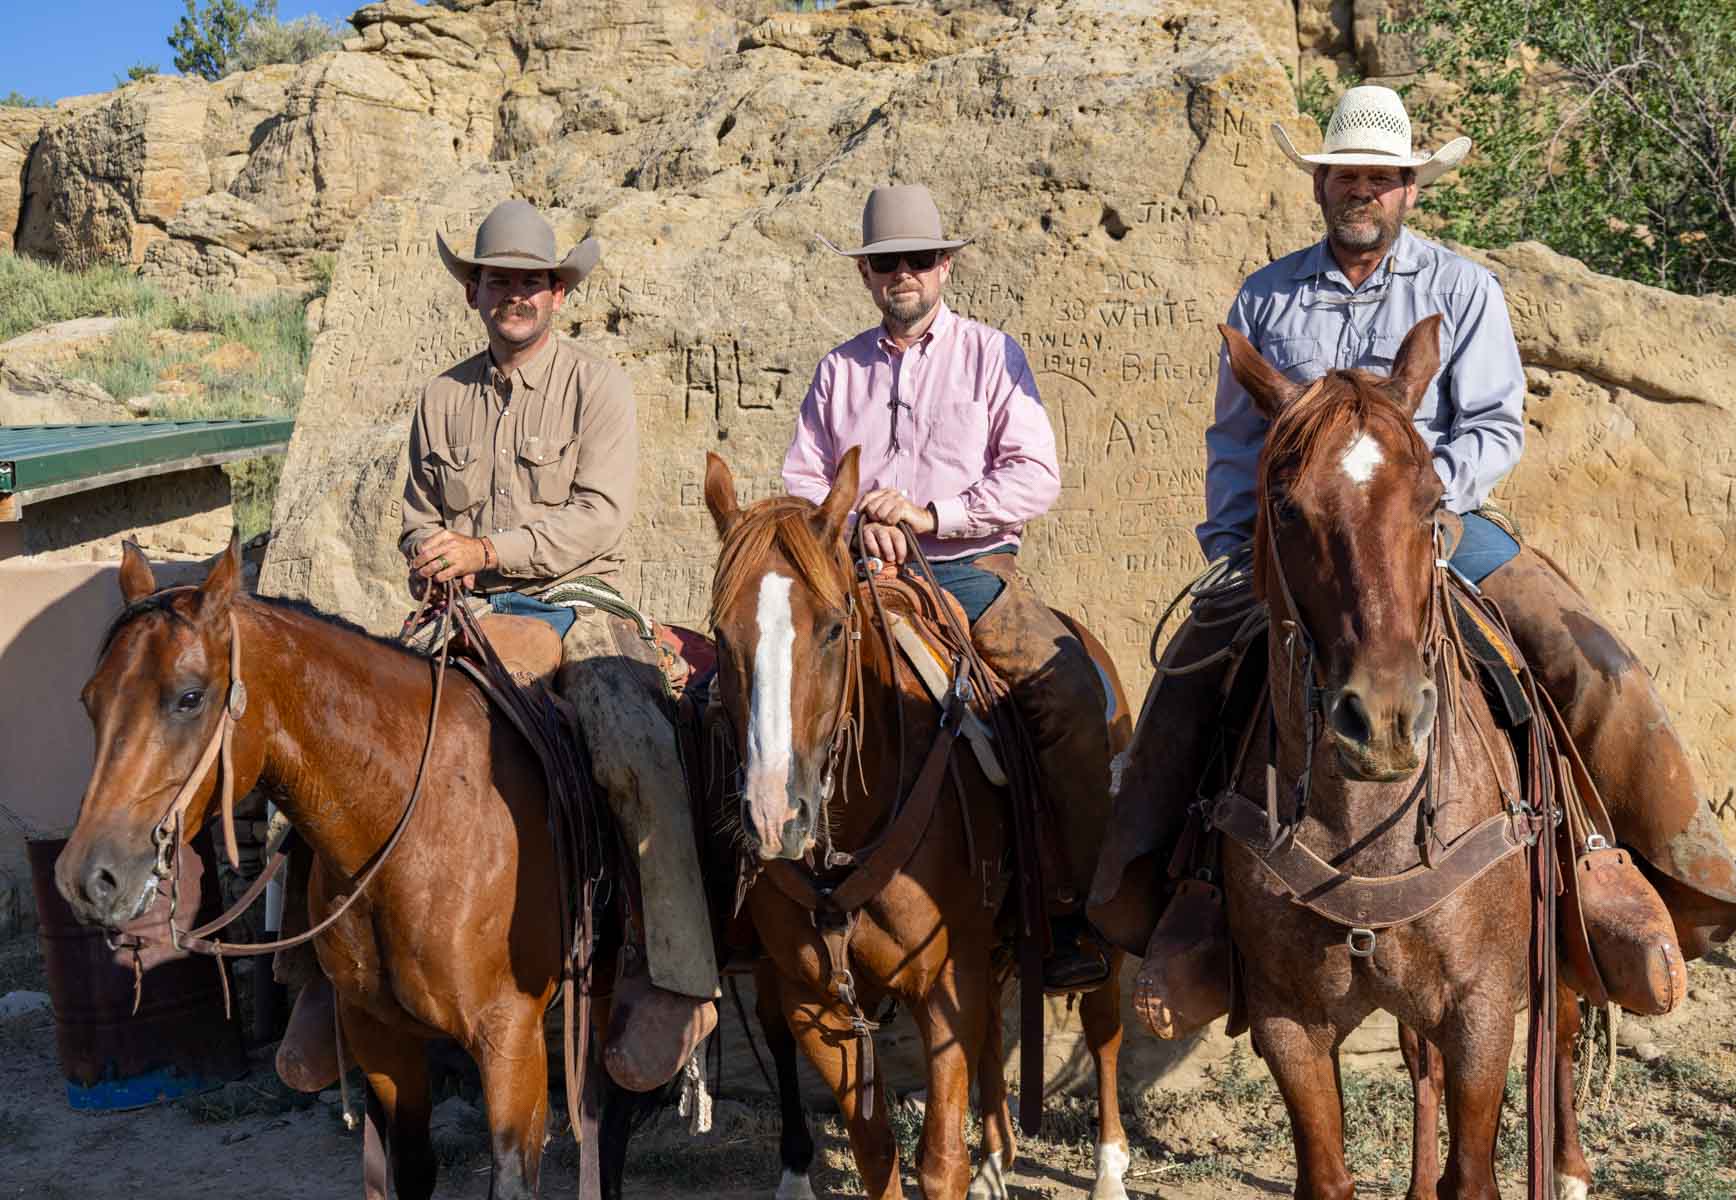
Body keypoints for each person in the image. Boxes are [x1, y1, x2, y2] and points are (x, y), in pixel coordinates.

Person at [1088, 87, 1736, 978]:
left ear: (1409, 190)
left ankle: (1639, 878)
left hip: (1436, 526)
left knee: (1584, 656)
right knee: (1188, 677)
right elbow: (1235, 442)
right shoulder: (1266, 299)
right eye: (1346, 175)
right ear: (1320, 186)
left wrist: (1419, 504)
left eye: (1383, 177)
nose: (1363, 189)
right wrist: (1235, 550)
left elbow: (1492, 427)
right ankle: (1161, 900)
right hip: (1306, 547)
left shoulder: (1461, 288)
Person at [279, 199, 717, 1097]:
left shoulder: (597, 386)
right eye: (497, 280)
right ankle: (318, 979)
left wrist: (486, 551)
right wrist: (426, 554)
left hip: (573, 600)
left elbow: (598, 515)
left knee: (635, 742)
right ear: (473, 291)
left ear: (558, 293)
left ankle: (675, 973)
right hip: (459, 612)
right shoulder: (441, 396)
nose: (514, 294)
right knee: (328, 740)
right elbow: (414, 514)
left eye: (531, 281)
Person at [782, 183, 1114, 990]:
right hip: (856, 575)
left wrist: (934, 515)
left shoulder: (991, 355)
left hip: (966, 570)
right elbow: (801, 486)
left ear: (946, 266)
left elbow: (1033, 477)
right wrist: (857, 525)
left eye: (919, 259)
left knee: (1065, 694)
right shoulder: (838, 370)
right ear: (866, 275)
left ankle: (1073, 910)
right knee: (758, 686)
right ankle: (771, 898)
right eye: (886, 262)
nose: (904, 273)